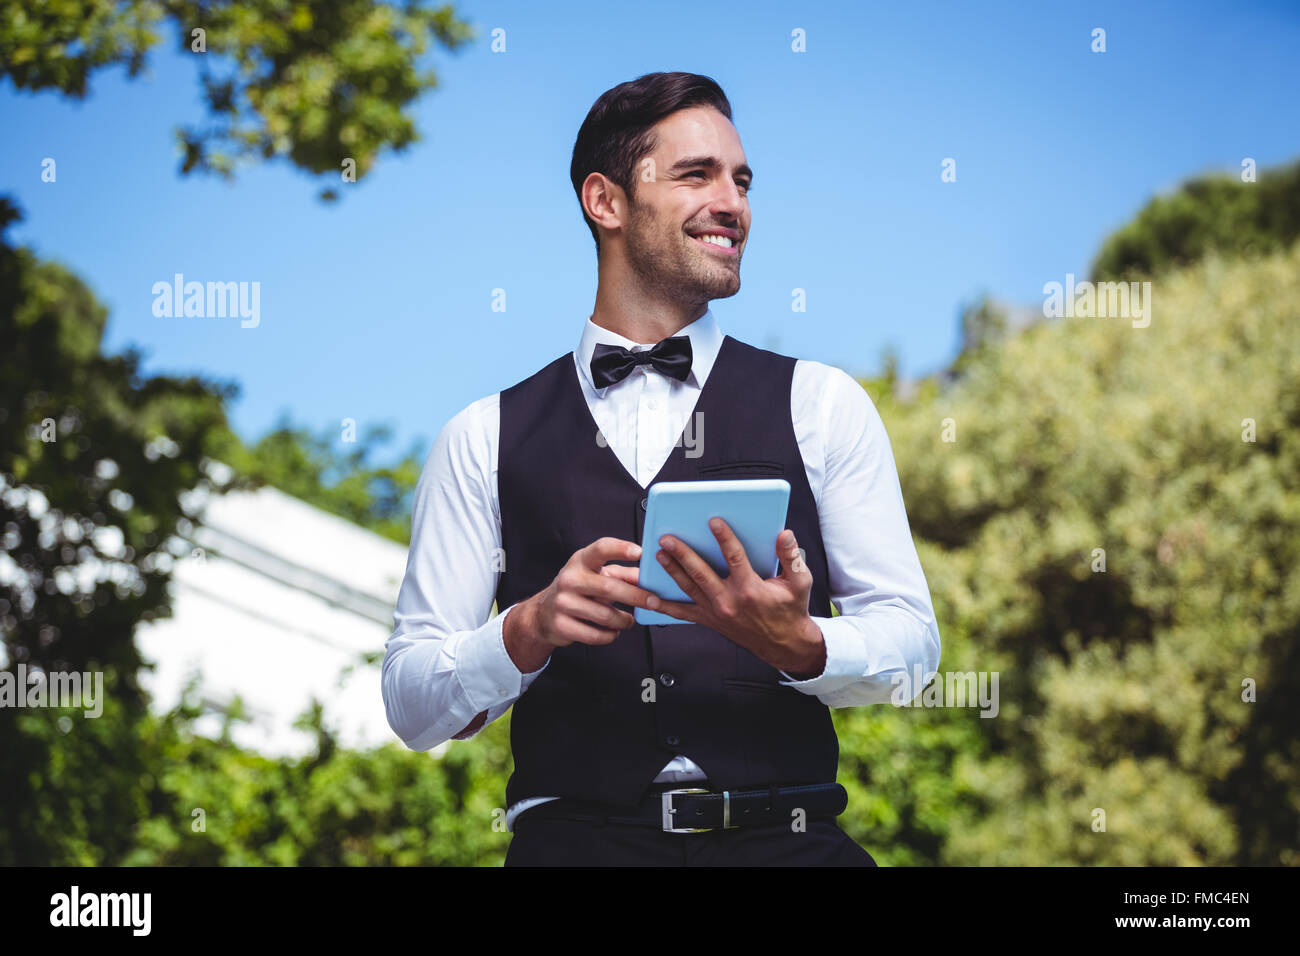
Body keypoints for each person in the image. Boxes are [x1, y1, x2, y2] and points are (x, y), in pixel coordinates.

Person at [382, 71, 941, 866]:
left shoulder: (823, 403)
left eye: (741, 180)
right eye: (696, 175)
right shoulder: (481, 436)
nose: (733, 203)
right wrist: (525, 630)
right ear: (605, 202)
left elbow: (915, 650)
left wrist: (802, 645)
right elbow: (410, 702)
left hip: (789, 840)